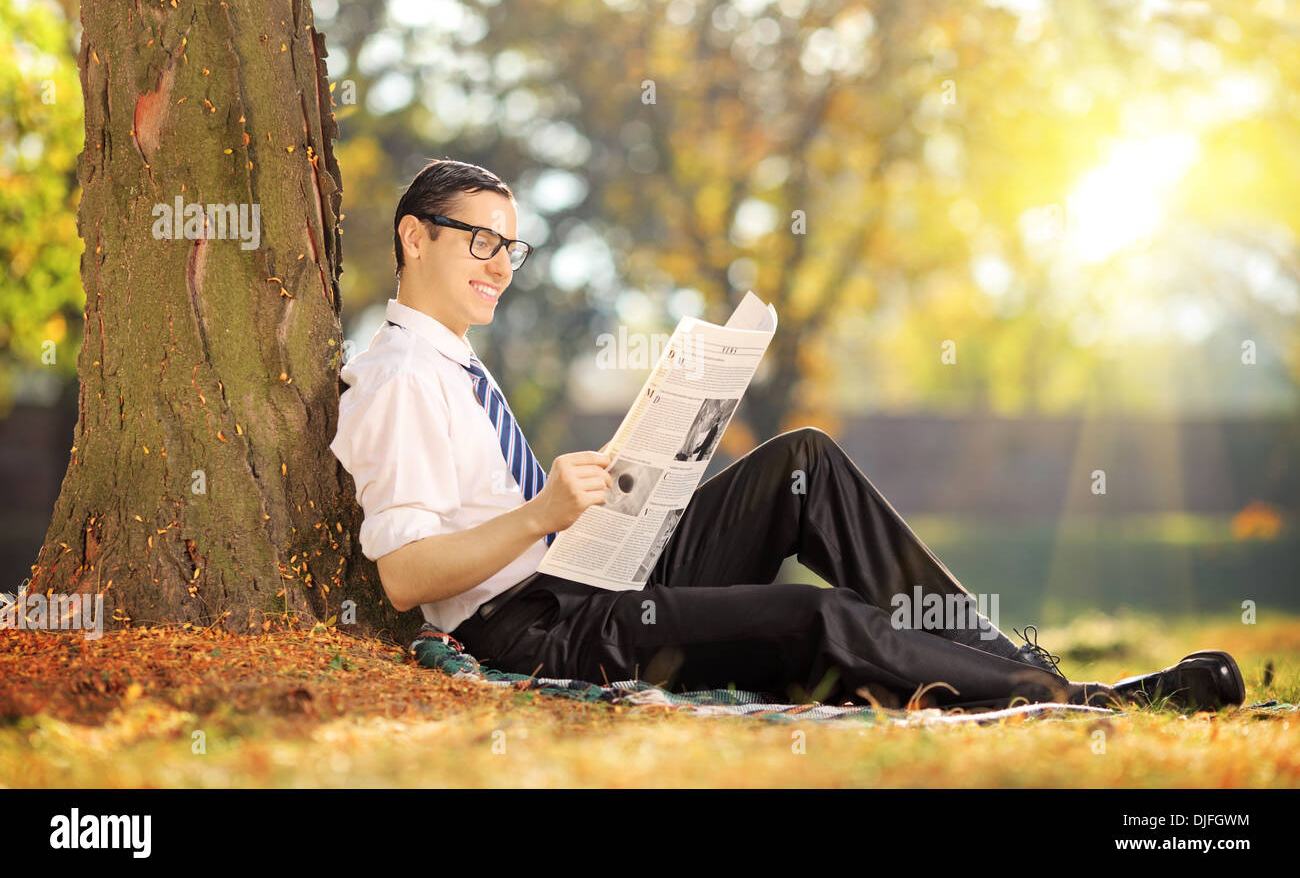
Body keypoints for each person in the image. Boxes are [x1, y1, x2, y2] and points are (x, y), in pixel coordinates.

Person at [329, 159, 1246, 713]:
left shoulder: (456, 362)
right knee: (813, 619)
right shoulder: (400, 377)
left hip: (582, 574)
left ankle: (1009, 666)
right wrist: (541, 516)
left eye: (511, 248)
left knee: (801, 463)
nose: (501, 267)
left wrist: (597, 498)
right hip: (535, 632)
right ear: (414, 237)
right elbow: (406, 578)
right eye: (478, 242)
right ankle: (1073, 703)